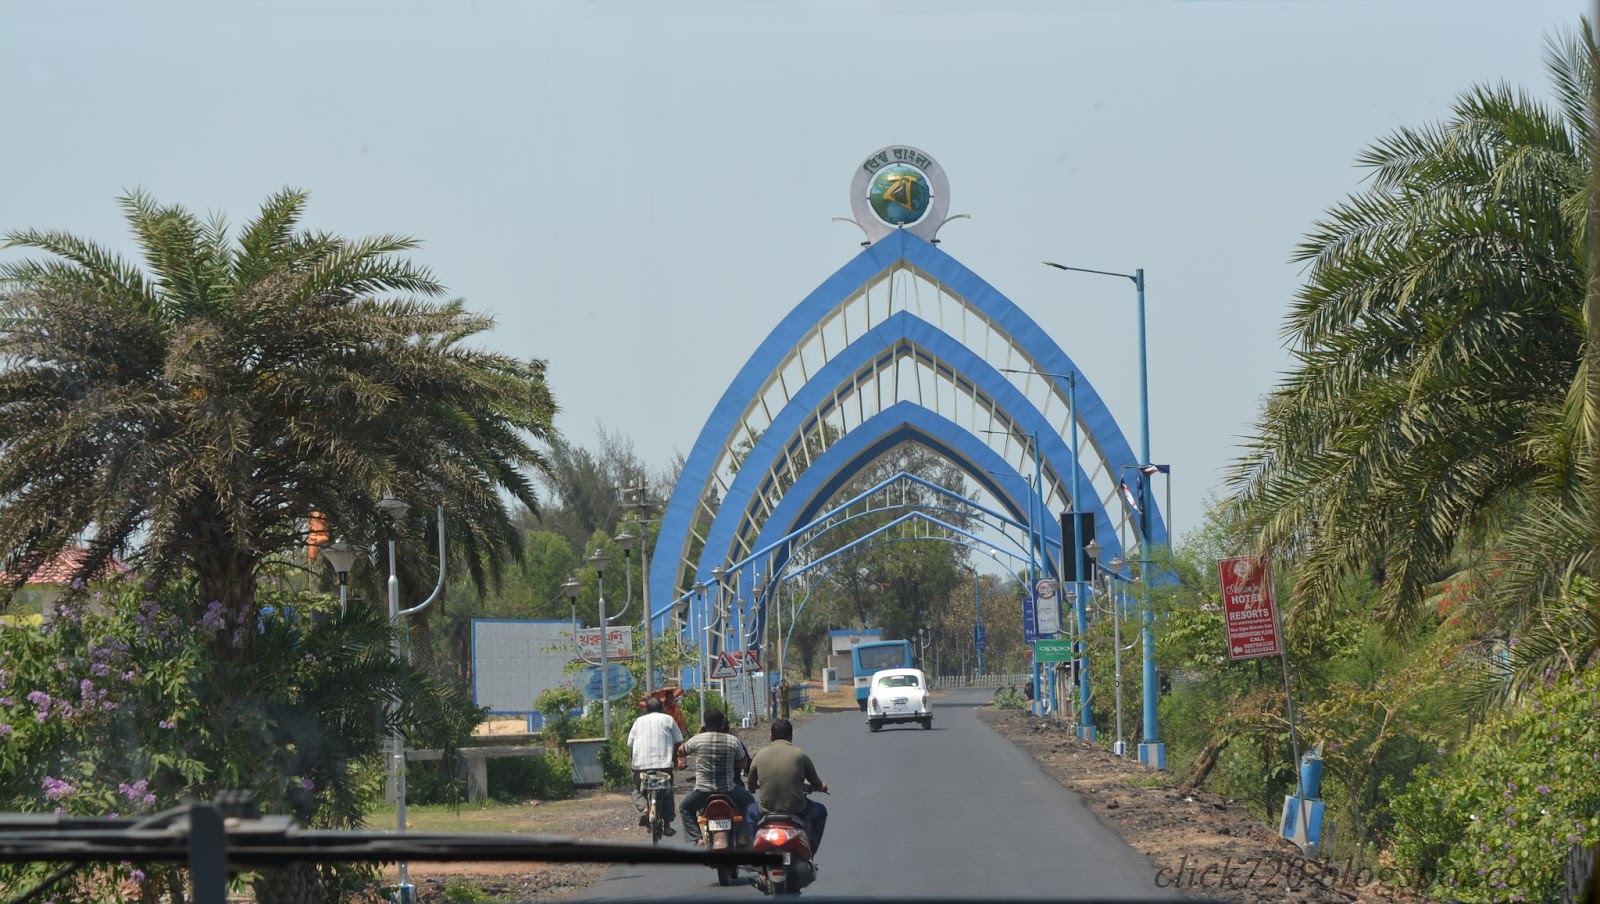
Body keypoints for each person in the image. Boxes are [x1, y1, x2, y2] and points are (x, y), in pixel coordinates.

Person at [744, 718, 828, 855]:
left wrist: (761, 784)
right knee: (820, 811)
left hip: (766, 810)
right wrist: (822, 786)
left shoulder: (760, 755)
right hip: (796, 810)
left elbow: (751, 783)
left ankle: (756, 846)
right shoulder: (800, 755)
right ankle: (810, 851)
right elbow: (816, 784)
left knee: (750, 811)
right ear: (790, 737)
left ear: (771, 737)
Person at [678, 708, 756, 844]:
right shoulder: (733, 741)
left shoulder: (698, 740)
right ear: (722, 723)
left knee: (685, 807)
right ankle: (743, 835)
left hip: (702, 792)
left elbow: (681, 752)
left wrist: (698, 733)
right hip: (728, 790)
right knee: (750, 802)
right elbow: (744, 764)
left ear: (705, 724)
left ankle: (697, 838)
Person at [627, 696, 683, 835]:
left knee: (637, 790)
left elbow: (630, 744)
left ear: (646, 709)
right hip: (663, 766)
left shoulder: (638, 721)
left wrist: (633, 763)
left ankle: (645, 808)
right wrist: (675, 759)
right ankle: (668, 825)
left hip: (640, 766)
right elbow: (678, 741)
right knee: (667, 791)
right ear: (662, 708)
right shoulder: (668, 719)